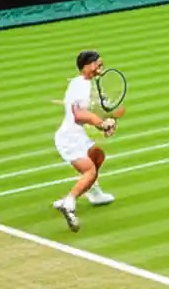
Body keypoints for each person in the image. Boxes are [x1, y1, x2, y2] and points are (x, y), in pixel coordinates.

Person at [52, 50, 122, 232]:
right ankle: (69, 202)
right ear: (88, 65)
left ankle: (94, 193)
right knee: (89, 170)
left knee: (97, 156)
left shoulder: (81, 83)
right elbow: (79, 114)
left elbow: (84, 115)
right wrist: (101, 123)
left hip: (77, 136)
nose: (101, 67)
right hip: (69, 139)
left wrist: (103, 124)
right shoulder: (81, 87)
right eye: (98, 63)